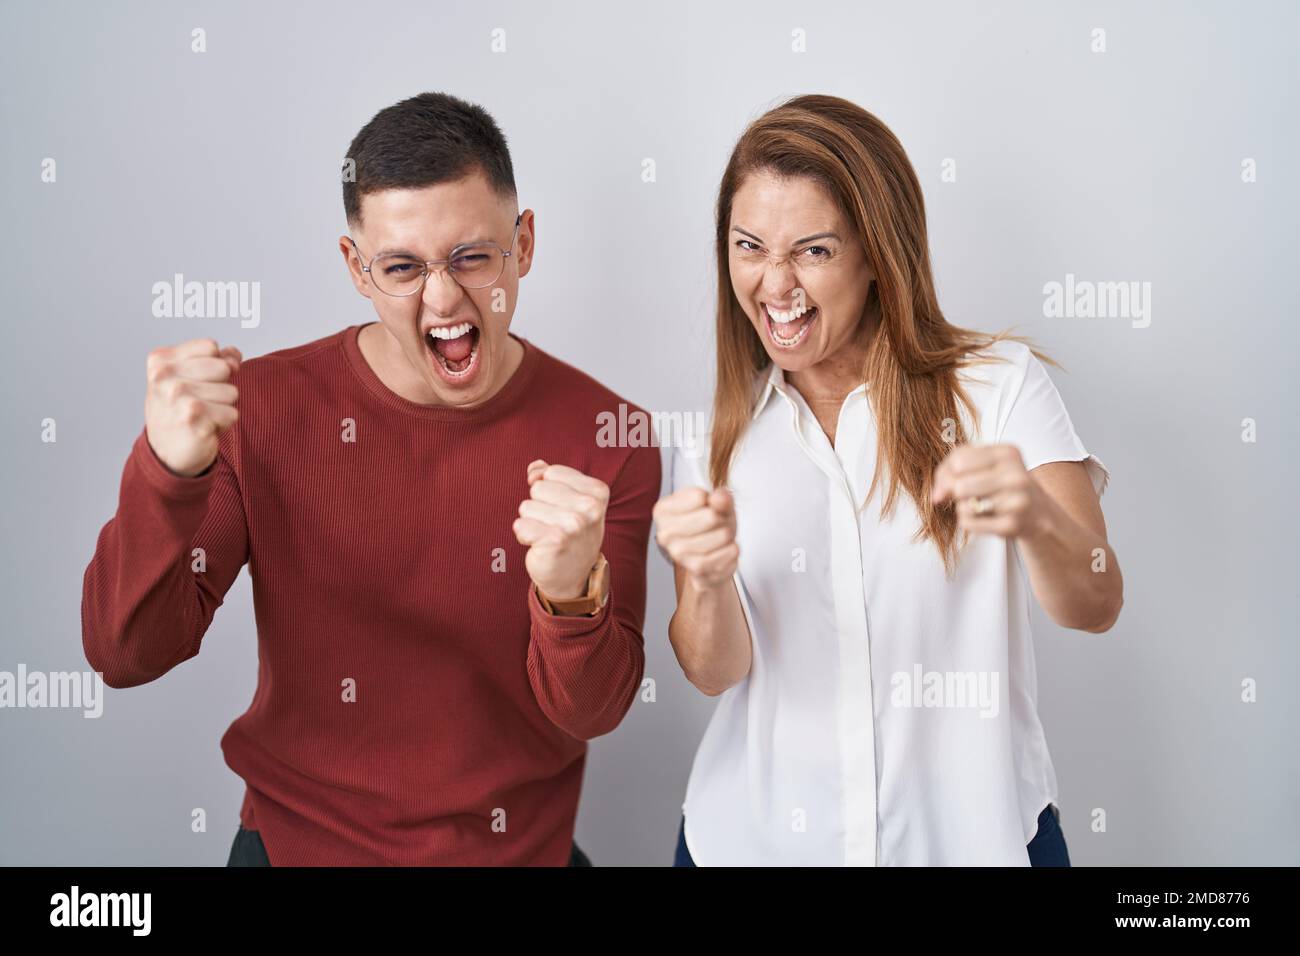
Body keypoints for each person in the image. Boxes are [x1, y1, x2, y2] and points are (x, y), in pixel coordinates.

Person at [81, 91, 660, 866]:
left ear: (523, 245)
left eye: (472, 257)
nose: (444, 298)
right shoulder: (259, 411)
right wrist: (165, 474)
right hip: (298, 849)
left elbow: (594, 712)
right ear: (357, 268)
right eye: (403, 267)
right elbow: (126, 657)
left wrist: (568, 596)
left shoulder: (609, 434)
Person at [654, 94, 1123, 866]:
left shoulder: (998, 388)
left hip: (977, 843)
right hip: (753, 843)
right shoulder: (714, 438)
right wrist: (705, 582)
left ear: (876, 253)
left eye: (813, 251)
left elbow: (1097, 603)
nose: (775, 285)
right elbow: (714, 673)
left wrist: (1037, 521)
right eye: (749, 246)